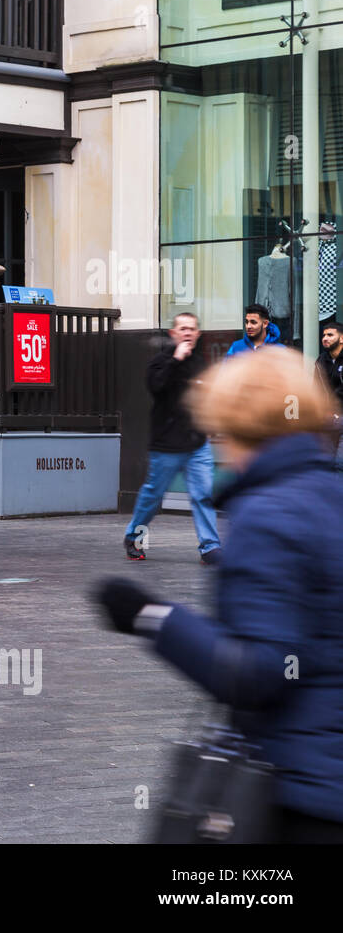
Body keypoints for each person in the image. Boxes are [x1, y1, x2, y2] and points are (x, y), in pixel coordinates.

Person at [96, 348, 343, 842]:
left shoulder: (269, 514)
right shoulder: (328, 494)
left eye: (221, 430)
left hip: (301, 792)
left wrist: (152, 617)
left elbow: (260, 670)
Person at [122, 312, 221, 565]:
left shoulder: (201, 364)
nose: (187, 332)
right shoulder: (160, 362)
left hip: (197, 444)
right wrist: (176, 360)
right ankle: (134, 536)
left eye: (192, 329)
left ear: (198, 334)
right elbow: (156, 387)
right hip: (166, 445)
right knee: (154, 496)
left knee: (203, 495)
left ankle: (210, 547)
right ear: (173, 333)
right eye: (183, 328)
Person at [316, 321, 343, 470]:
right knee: (325, 464)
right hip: (327, 420)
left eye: (330, 335)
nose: (325, 338)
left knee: (340, 464)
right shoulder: (321, 360)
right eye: (324, 335)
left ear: (342, 339)